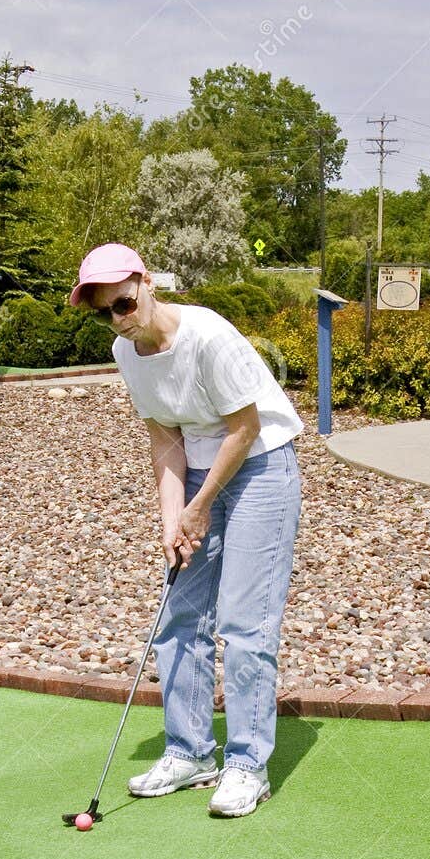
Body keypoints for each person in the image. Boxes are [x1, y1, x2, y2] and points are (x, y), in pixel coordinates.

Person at [69, 243, 303, 818]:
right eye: (105, 313)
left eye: (123, 302)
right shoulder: (128, 352)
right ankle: (190, 750)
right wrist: (171, 518)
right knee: (180, 612)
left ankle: (247, 764)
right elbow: (164, 440)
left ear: (147, 282)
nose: (119, 319)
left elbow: (244, 428)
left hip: (261, 465)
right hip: (198, 467)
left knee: (244, 621)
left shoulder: (209, 336)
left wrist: (199, 507)